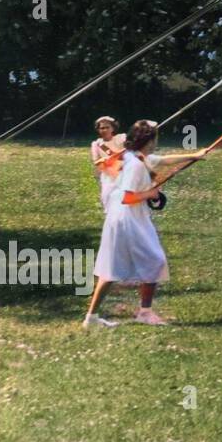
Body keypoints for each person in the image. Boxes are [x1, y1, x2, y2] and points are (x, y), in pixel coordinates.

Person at [84, 119, 202, 327]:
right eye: (155, 137)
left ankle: (91, 318)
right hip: (127, 217)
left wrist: (195, 155)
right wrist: (151, 192)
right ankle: (144, 313)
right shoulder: (136, 165)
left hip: (126, 216)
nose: (157, 141)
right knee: (154, 261)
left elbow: (162, 161)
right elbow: (128, 197)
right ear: (149, 140)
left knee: (111, 269)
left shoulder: (134, 156)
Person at [89, 116, 126, 213]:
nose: (104, 130)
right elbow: (96, 161)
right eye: (102, 128)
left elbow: (129, 152)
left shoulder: (121, 138)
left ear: (113, 128)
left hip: (124, 173)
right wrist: (107, 161)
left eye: (107, 127)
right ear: (98, 130)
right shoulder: (97, 144)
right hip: (108, 174)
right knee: (108, 198)